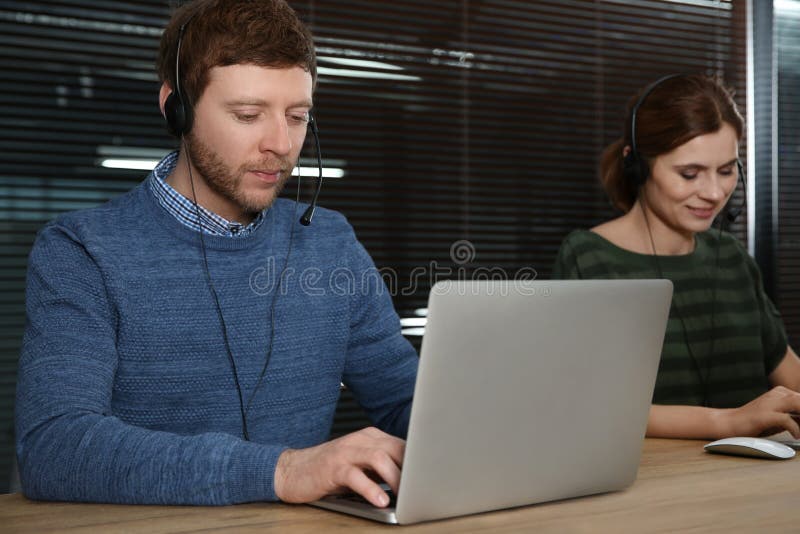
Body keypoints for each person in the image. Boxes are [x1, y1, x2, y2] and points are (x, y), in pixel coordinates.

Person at [15, 0, 417, 507]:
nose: (281, 143)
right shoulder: (81, 252)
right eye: (248, 115)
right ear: (175, 109)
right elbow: (54, 448)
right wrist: (284, 470)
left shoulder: (329, 243)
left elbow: (409, 404)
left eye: (298, 117)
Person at [553, 74, 800, 440]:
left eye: (727, 170)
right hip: (657, 486)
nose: (715, 193)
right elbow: (589, 404)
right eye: (689, 174)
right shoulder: (588, 258)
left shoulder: (732, 258)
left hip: (753, 484)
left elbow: (790, 375)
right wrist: (728, 422)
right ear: (636, 165)